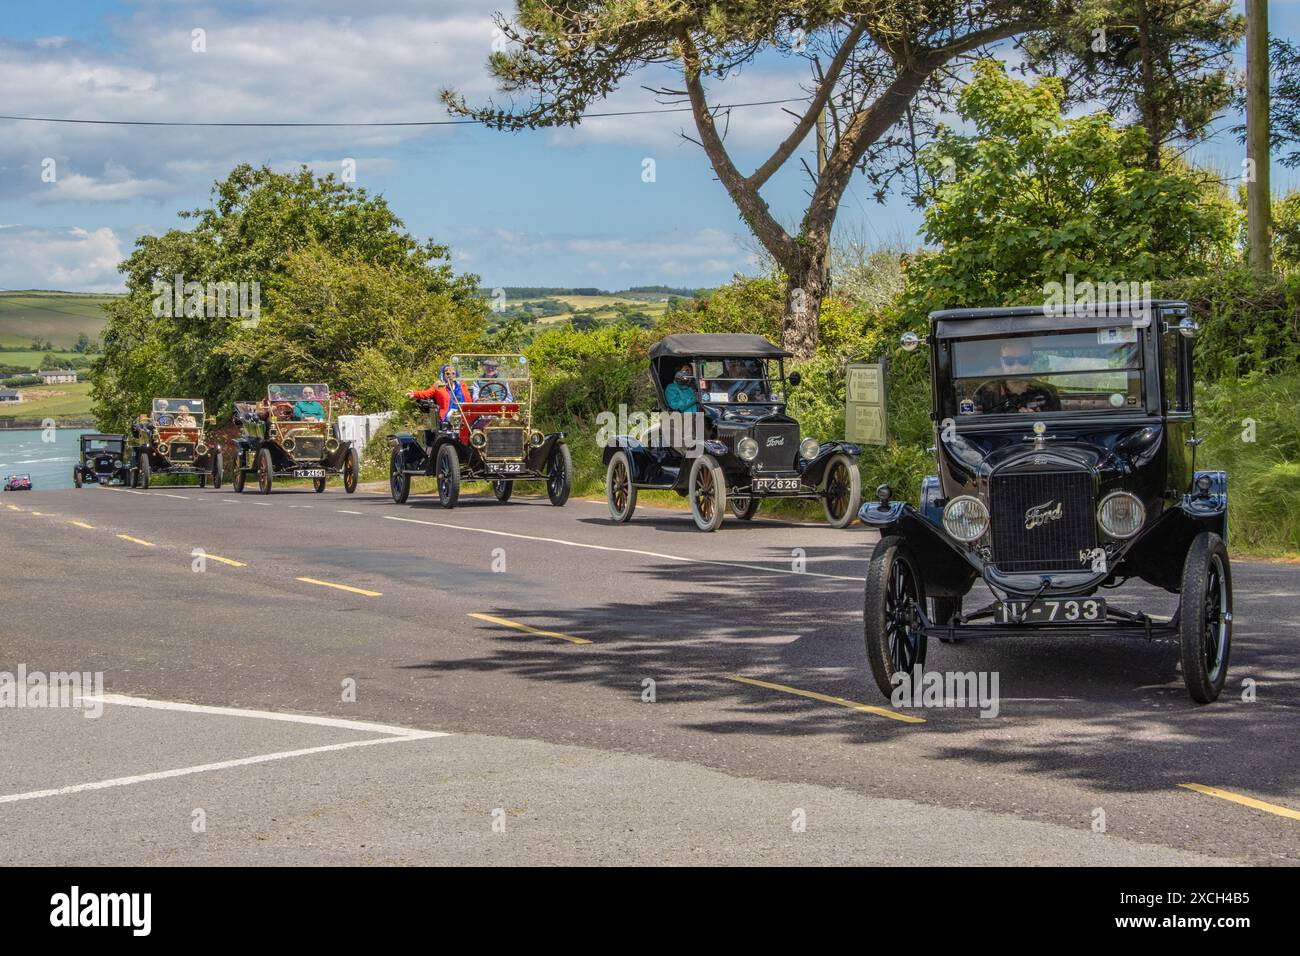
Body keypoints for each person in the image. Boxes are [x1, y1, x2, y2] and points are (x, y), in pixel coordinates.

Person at [973, 341, 1061, 414]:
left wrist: (1037, 419)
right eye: (1009, 361)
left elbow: (1057, 426)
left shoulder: (1048, 392)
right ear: (1002, 362)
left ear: (1031, 361)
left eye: (1023, 360)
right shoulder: (985, 392)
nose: (1016, 366)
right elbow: (975, 426)